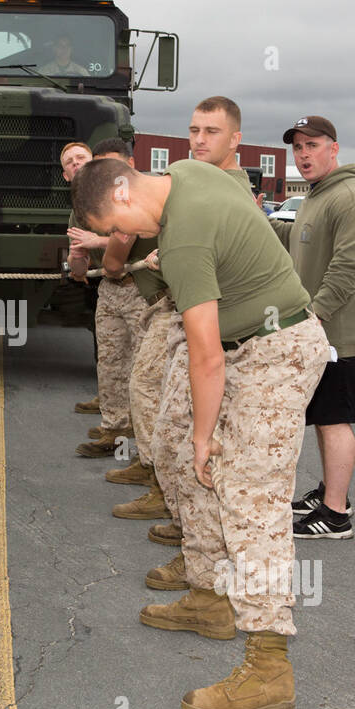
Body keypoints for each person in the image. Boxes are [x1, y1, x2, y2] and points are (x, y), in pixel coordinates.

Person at [72, 156, 328, 709]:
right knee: (172, 448)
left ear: (121, 191)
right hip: (243, 343)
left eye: (116, 225)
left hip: (274, 349)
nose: (124, 237)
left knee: (251, 499)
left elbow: (205, 353)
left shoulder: (183, 237)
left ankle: (269, 667)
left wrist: (205, 435)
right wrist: (191, 439)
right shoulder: (186, 174)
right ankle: (210, 592)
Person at [140, 96, 256, 585]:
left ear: (236, 139)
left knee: (193, 450)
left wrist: (161, 261)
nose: (198, 140)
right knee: (172, 443)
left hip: (220, 338)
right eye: (193, 130)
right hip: (196, 327)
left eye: (211, 131)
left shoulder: (227, 191)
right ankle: (194, 543)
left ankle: (205, 569)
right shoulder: (193, 179)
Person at [275, 116, 355, 540]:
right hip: (320, 330)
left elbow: (351, 263)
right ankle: (329, 492)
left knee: (335, 418)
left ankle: (336, 515)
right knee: (323, 416)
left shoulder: (352, 198)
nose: (303, 154)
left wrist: (316, 315)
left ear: (334, 148)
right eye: (297, 147)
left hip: (339, 333)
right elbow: (300, 240)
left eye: (312, 145)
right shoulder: (316, 197)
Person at [77, 138, 144, 462]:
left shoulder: (141, 196)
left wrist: (97, 242)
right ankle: (114, 430)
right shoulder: (108, 201)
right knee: (111, 363)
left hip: (143, 293)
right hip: (112, 289)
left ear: (131, 164)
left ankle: (146, 453)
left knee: (145, 374)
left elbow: (121, 250)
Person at [61, 141, 101, 415]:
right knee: (109, 350)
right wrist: (75, 260)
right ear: (66, 175)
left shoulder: (118, 195)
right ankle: (110, 400)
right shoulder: (78, 211)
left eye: (81, 158)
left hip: (139, 286)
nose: (76, 163)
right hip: (106, 284)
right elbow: (79, 264)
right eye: (69, 162)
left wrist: (97, 241)